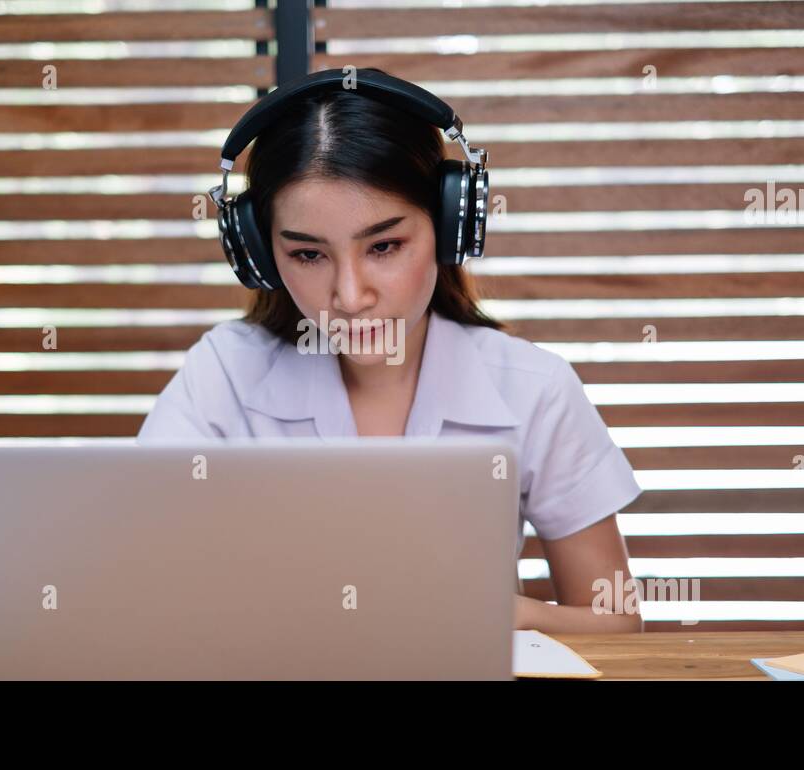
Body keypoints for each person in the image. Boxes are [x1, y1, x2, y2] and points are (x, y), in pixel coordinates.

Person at [138, 68, 643, 633]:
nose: (350, 297)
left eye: (384, 245)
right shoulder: (225, 373)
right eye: (308, 255)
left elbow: (616, 624)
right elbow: (137, 584)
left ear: (450, 227)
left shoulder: (532, 387)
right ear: (262, 255)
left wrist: (478, 612)